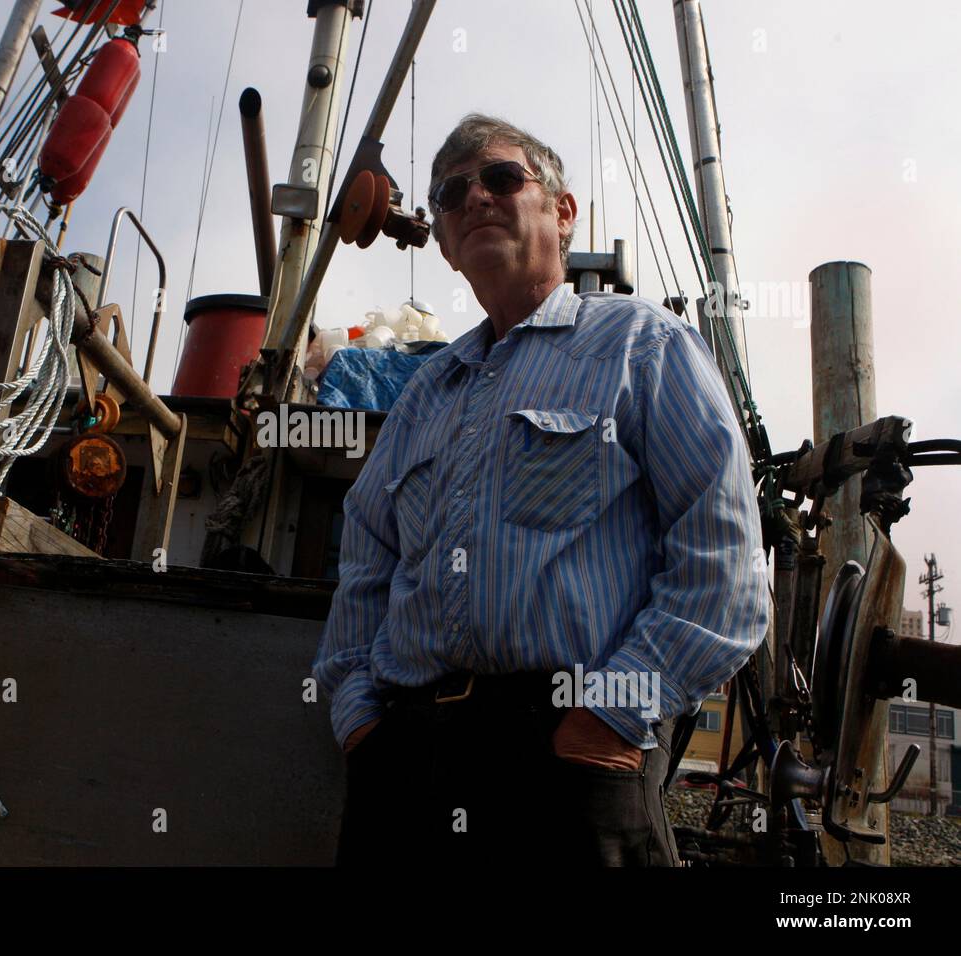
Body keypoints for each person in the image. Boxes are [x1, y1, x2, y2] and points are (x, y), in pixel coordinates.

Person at [311, 113, 769, 866]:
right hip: (405, 763)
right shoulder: (423, 396)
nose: (475, 199)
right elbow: (365, 564)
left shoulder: (641, 346)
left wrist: (613, 716)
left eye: (500, 178)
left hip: (570, 754)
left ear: (561, 211)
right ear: (449, 244)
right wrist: (363, 720)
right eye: (452, 194)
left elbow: (724, 556)